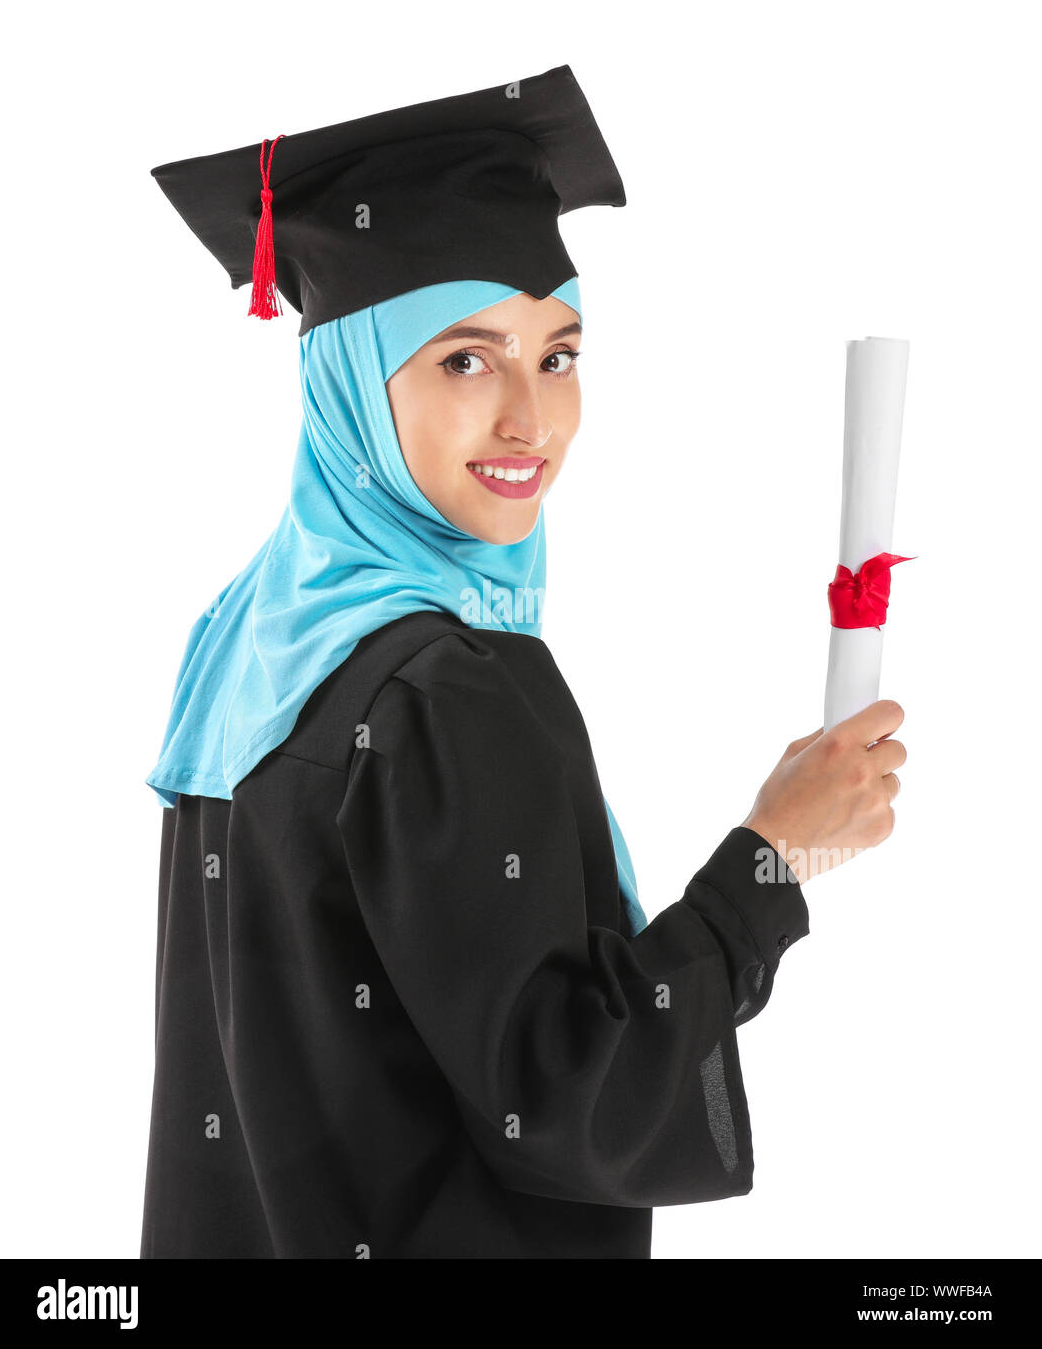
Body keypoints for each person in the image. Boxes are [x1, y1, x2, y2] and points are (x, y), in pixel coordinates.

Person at [139, 65, 906, 1260]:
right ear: (347, 379)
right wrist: (775, 857)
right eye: (463, 359)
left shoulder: (247, 634)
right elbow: (565, 1097)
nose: (529, 422)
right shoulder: (451, 687)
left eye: (557, 355)